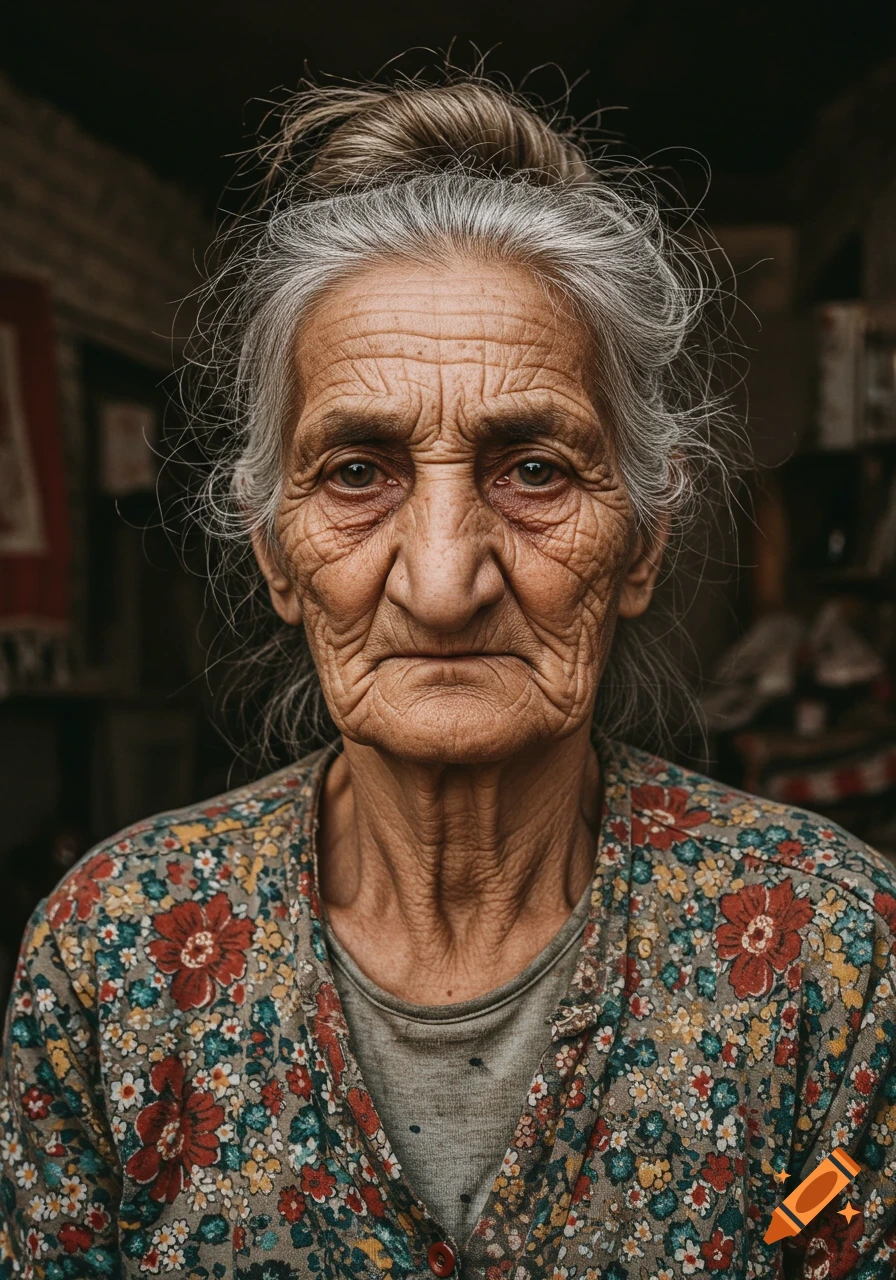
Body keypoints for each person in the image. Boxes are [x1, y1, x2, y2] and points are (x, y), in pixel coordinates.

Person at [2, 73, 896, 1280]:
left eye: (533, 469)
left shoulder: (835, 953)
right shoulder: (115, 952)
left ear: (639, 541)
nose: (439, 581)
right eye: (357, 471)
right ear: (275, 553)